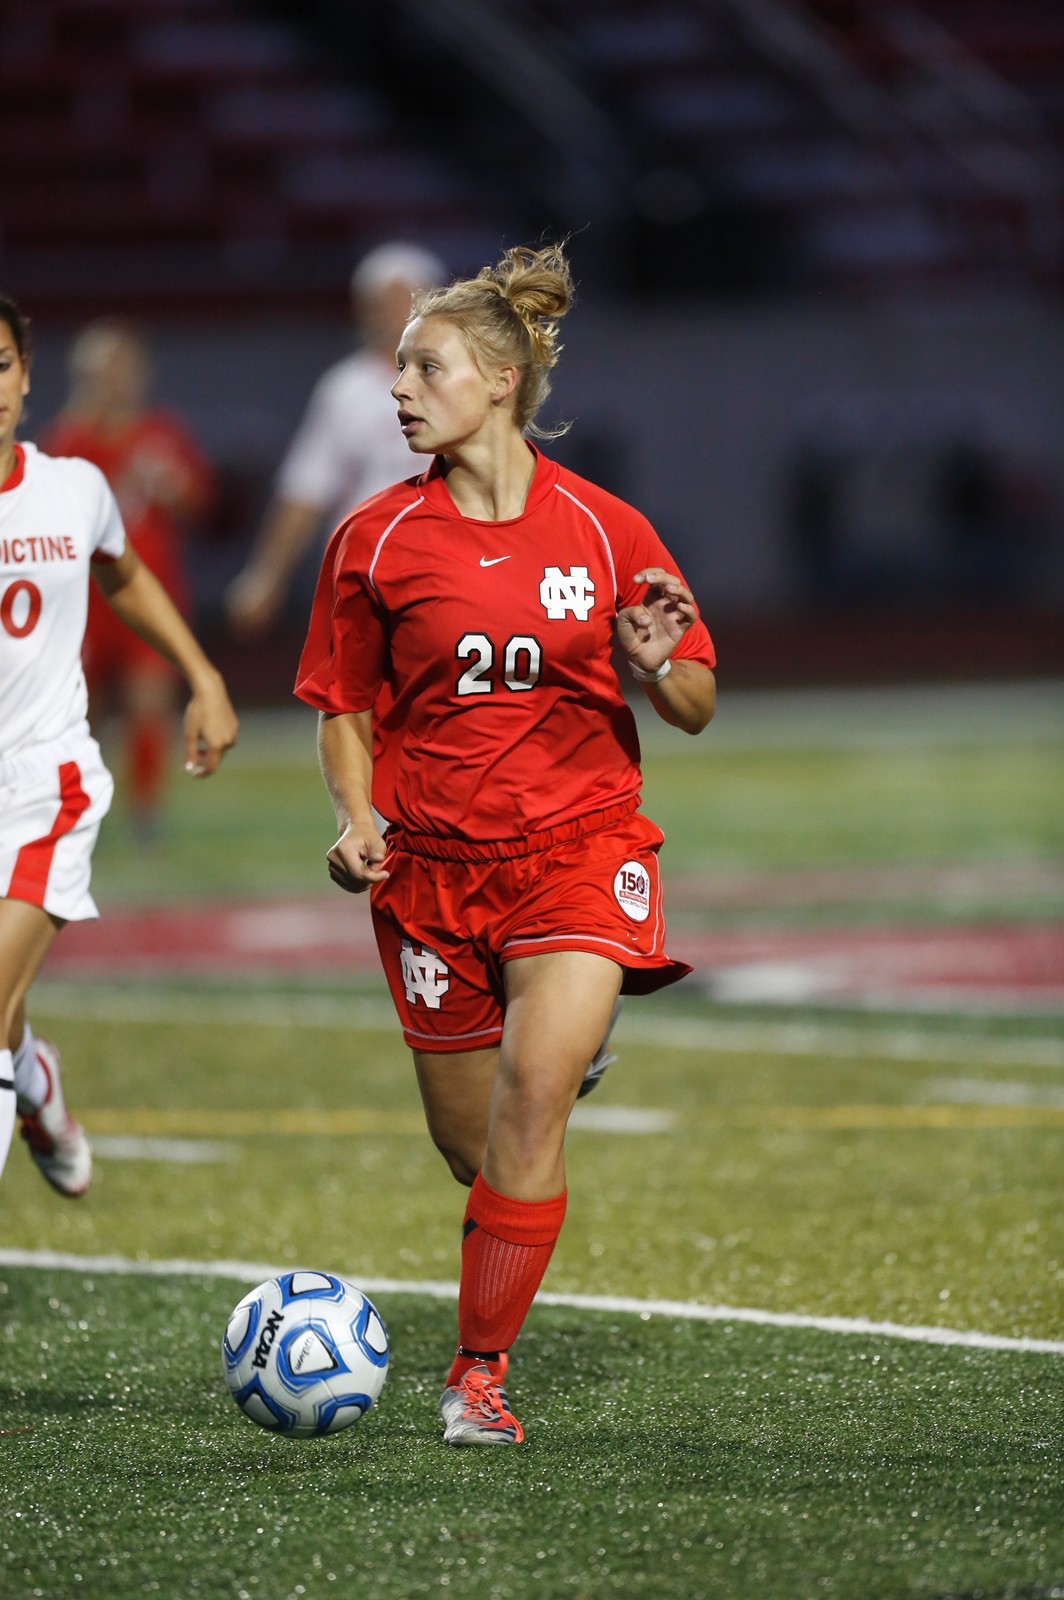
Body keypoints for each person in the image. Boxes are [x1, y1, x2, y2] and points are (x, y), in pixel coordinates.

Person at [294, 243, 716, 1447]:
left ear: (495, 376)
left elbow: (691, 700)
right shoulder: (373, 541)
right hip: (429, 873)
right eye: (398, 368)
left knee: (532, 1102)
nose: (398, 389)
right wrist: (356, 814)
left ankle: (476, 1376)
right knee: (468, 1146)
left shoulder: (605, 527)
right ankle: (551, 1057)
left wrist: (657, 667)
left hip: (581, 847)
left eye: (422, 366)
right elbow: (342, 706)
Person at [0, 293, 238, 1198]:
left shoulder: (71, 486)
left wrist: (206, 678)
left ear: (24, 375)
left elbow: (126, 569)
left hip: (39, 788)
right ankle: (37, 1081)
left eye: (1, 365)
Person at [40, 317, 216, 839]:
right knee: (76, 714)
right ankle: (68, 811)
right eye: (102, 371)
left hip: (150, 595)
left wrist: (172, 486)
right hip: (84, 600)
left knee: (148, 703)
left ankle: (144, 814)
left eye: (121, 369)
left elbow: (200, 507)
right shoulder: (68, 439)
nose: (113, 381)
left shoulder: (162, 435)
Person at [225, 241, 447, 640]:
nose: (395, 314)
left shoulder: (465, 380)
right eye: (383, 302)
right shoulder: (346, 388)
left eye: (407, 300)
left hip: (451, 564)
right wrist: (267, 575)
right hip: (367, 569)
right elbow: (306, 489)